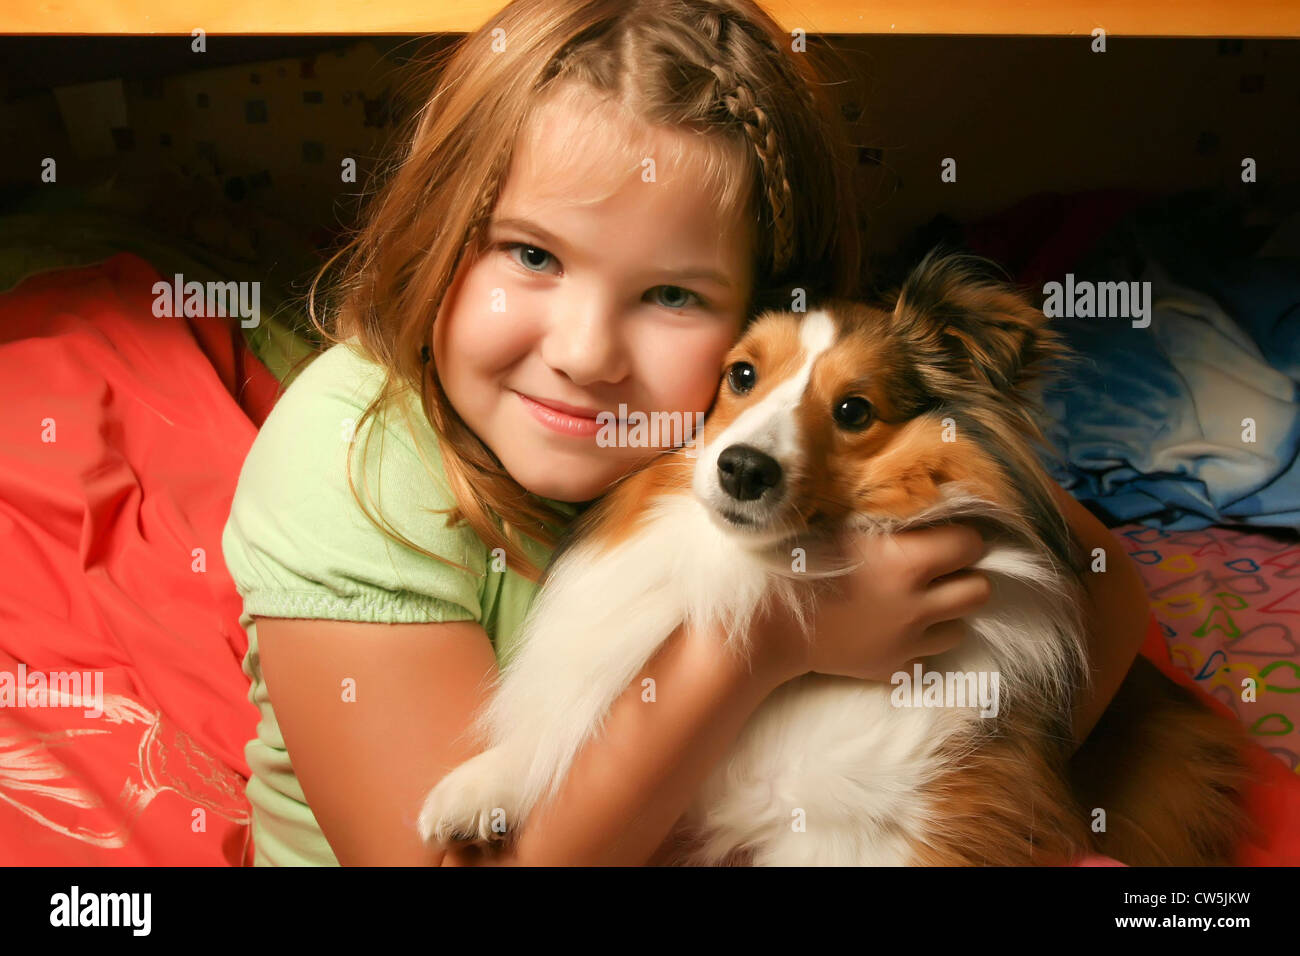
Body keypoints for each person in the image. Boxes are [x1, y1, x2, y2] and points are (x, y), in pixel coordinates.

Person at [221, 0, 1150, 866]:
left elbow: (1100, 587)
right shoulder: (347, 461)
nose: (586, 355)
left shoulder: (739, 420)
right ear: (436, 231)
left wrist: (964, 782)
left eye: (673, 294)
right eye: (532, 254)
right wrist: (776, 638)